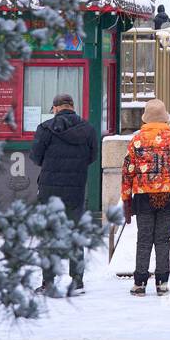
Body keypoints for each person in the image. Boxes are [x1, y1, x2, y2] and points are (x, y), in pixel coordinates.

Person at [121, 98, 170, 296]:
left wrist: (127, 200)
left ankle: (140, 283)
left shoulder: (136, 140)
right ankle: (162, 282)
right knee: (162, 239)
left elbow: (128, 172)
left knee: (143, 239)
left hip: (144, 196)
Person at [30, 92, 99, 297]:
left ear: (56, 108)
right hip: (76, 187)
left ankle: (48, 282)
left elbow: (35, 157)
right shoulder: (87, 129)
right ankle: (77, 281)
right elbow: (92, 156)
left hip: (50, 189)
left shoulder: (45, 129)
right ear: (72, 106)